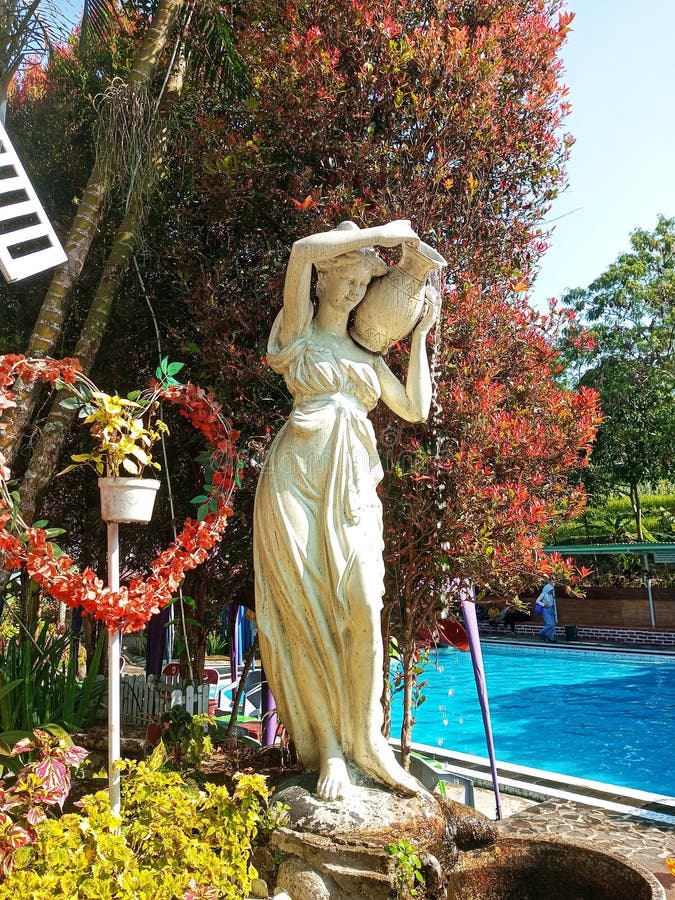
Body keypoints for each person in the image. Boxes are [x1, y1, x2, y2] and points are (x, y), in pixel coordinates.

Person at [253, 219, 436, 802]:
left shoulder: (365, 355)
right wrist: (386, 231)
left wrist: (422, 339)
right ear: (326, 277)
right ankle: (330, 746)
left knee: (362, 602)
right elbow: (299, 248)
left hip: (353, 483)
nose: (357, 292)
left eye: (365, 283)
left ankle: (368, 739)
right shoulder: (298, 330)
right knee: (305, 613)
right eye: (350, 278)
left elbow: (414, 408)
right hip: (295, 478)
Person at [536, 576, 557, 643]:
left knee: (552, 625)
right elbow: (537, 601)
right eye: (550, 590)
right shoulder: (543, 594)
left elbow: (552, 603)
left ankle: (551, 637)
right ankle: (542, 633)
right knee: (549, 624)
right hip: (546, 609)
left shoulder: (551, 595)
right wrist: (544, 604)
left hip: (551, 609)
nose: (551, 590)